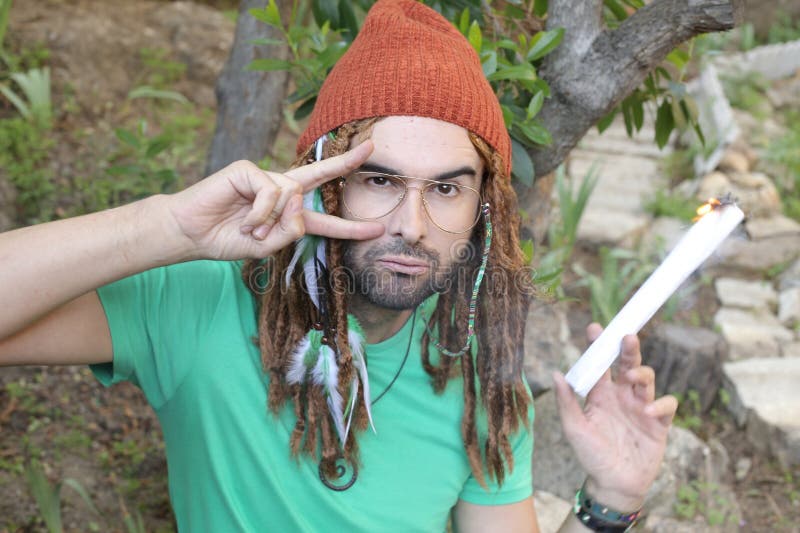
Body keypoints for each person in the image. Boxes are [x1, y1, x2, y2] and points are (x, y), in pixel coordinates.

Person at [0, 1, 678, 531]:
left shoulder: (474, 374)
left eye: (447, 188)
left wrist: (610, 502)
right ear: (326, 183)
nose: (412, 225)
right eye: (380, 180)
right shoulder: (201, 302)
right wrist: (167, 227)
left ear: (484, 211)